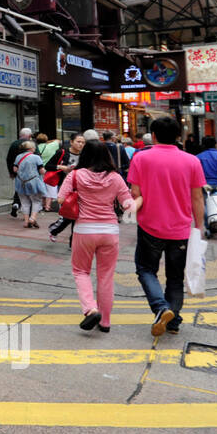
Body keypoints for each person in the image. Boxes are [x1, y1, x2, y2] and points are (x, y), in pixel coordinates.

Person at [127, 115, 206, 337]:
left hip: (149, 226)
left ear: (153, 136)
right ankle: (173, 319)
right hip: (180, 228)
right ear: (179, 137)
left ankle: (161, 308)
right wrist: (199, 226)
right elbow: (197, 198)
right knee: (175, 276)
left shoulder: (141, 158)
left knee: (145, 269)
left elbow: (135, 193)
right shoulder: (192, 161)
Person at [59, 140, 138, 333]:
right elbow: (128, 204)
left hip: (84, 230)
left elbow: (60, 199)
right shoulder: (116, 177)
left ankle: (90, 309)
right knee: (106, 277)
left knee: (81, 272)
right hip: (109, 231)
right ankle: (105, 322)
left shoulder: (76, 175)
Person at [48, 134, 87, 242]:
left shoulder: (84, 155)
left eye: (83, 142)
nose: (81, 144)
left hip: (80, 188)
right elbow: (48, 165)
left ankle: (72, 242)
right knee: (68, 214)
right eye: (78, 142)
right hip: (65, 188)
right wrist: (61, 167)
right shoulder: (62, 153)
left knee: (77, 214)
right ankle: (54, 230)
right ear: (71, 142)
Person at [13, 140, 46, 228]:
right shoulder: (36, 157)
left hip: (20, 183)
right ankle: (32, 218)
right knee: (36, 201)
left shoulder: (18, 157)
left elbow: (15, 170)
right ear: (31, 148)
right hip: (33, 183)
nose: (35, 148)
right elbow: (41, 171)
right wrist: (45, 172)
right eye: (34, 147)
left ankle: (26, 222)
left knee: (24, 202)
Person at [6, 128, 32, 217]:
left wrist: (11, 172)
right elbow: (37, 158)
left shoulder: (14, 144)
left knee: (19, 188)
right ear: (29, 136)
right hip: (30, 173)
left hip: (16, 171)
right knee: (29, 191)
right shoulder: (31, 145)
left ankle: (16, 203)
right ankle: (28, 213)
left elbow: (9, 159)